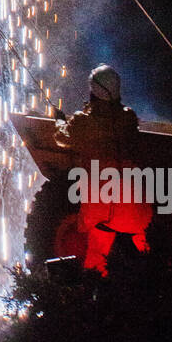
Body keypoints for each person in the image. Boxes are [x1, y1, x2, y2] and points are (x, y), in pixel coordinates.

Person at [54, 64, 152, 276]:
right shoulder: (128, 117)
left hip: (102, 211)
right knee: (148, 253)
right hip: (136, 209)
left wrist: (59, 120)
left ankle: (94, 290)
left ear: (93, 91)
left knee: (97, 261)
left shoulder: (83, 121)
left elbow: (62, 138)